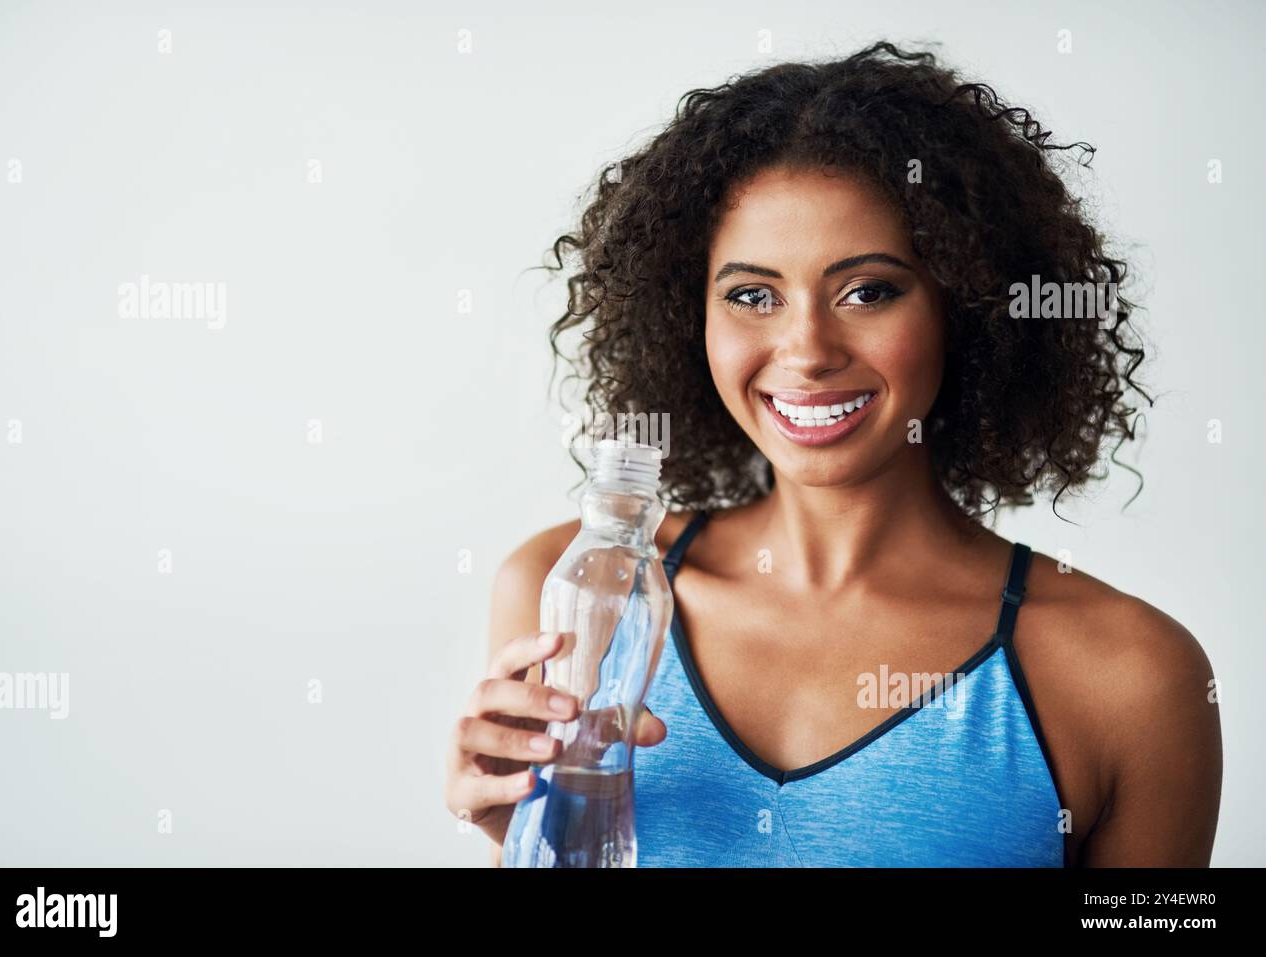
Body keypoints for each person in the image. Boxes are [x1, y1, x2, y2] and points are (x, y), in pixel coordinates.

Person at [444, 40, 1221, 867]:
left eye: (868, 291)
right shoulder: (568, 592)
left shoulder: (1131, 679)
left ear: (969, 306)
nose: (806, 349)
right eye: (753, 295)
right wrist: (520, 840)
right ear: (686, 317)